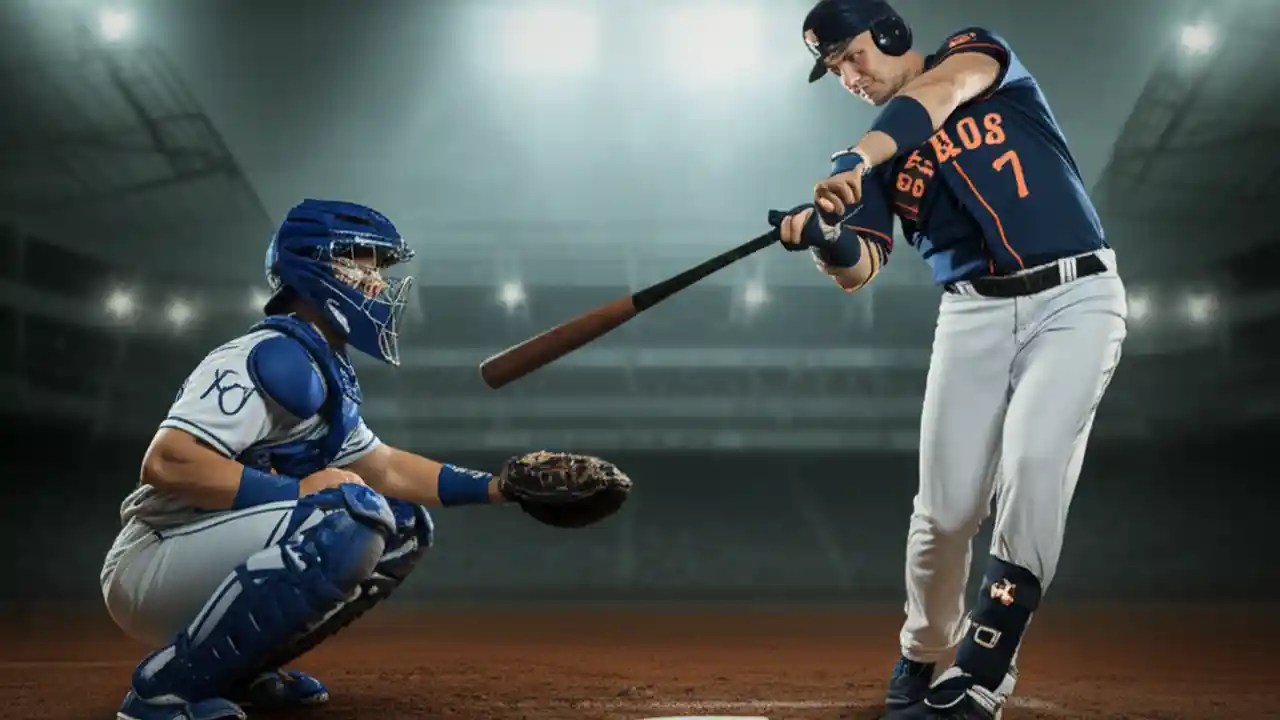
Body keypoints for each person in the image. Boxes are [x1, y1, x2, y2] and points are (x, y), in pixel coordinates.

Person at [98, 199, 630, 720]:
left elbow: (387, 467)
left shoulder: (320, 364)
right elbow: (170, 462)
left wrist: (499, 486)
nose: (377, 281)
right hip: (154, 557)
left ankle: (235, 673)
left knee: (403, 525)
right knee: (347, 515)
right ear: (311, 264)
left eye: (379, 266)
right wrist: (297, 493)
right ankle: (162, 691)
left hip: (205, 554)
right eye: (360, 261)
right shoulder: (265, 354)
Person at [768, 1, 1128, 717]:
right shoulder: (871, 159)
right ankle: (925, 654)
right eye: (833, 64)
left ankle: (986, 666)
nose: (846, 72)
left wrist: (856, 158)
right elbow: (858, 267)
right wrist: (825, 235)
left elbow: (938, 96)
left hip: (1076, 297)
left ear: (892, 32)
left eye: (851, 52)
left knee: (1032, 466)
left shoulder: (974, 55)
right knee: (945, 511)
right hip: (971, 314)